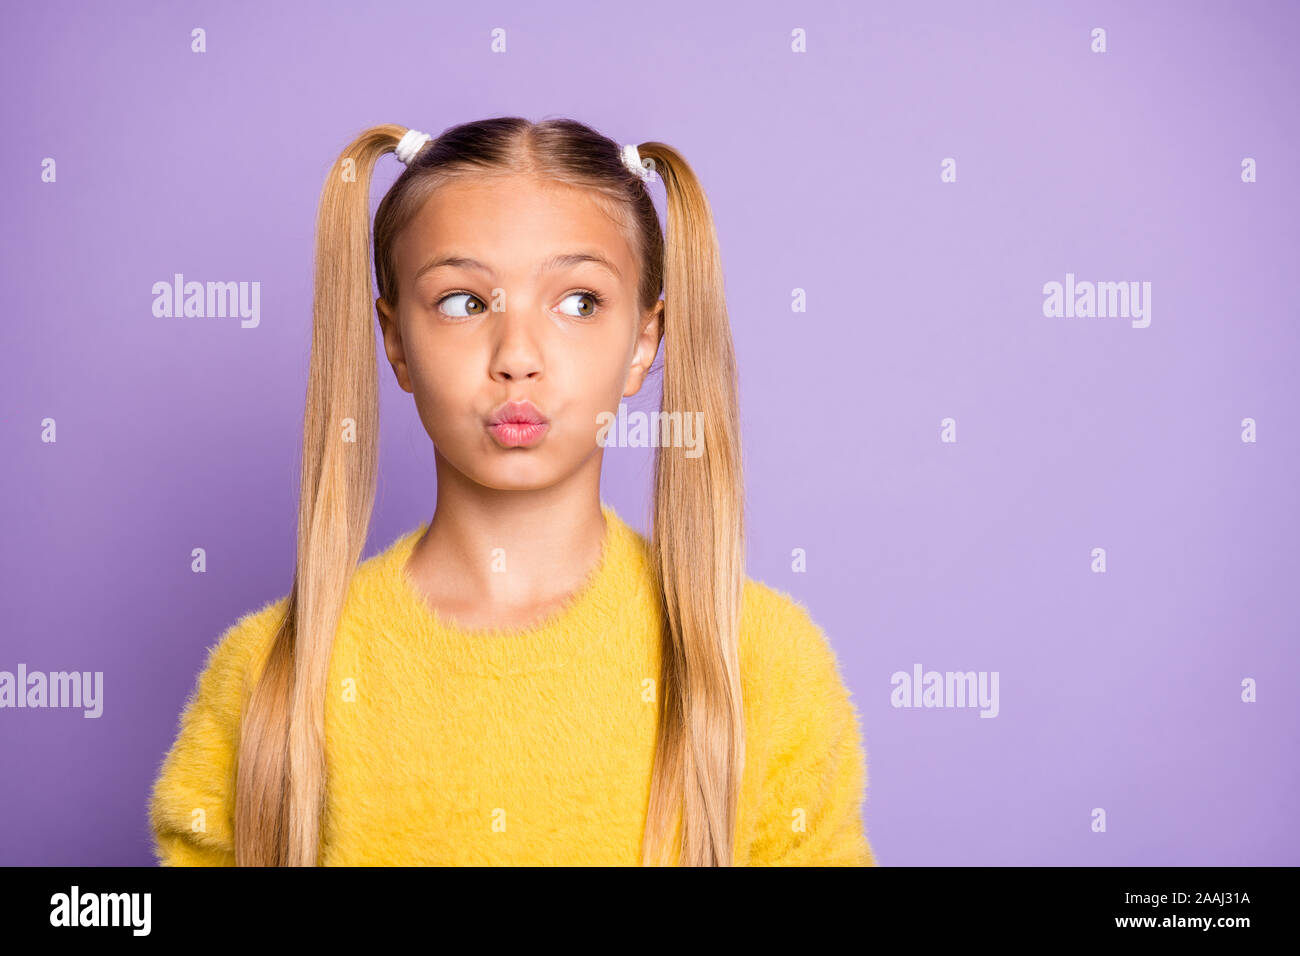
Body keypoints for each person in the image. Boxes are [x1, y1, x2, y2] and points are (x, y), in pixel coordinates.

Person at [147, 118, 876, 866]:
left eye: (579, 302)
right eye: (463, 302)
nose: (517, 357)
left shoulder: (762, 663)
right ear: (395, 342)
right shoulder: (270, 676)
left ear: (645, 343)